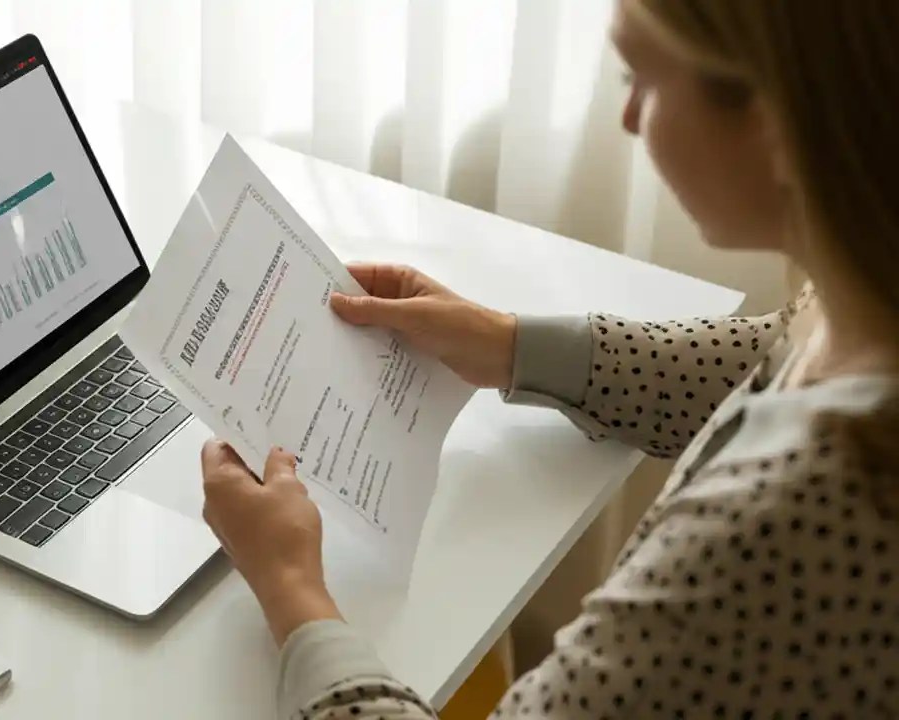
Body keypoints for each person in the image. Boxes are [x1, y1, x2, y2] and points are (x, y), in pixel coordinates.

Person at [199, 0, 899, 716]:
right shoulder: (865, 294)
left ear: (779, 121)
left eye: (641, 79)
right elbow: (773, 349)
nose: (627, 118)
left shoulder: (778, 530)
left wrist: (292, 588)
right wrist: (508, 344)